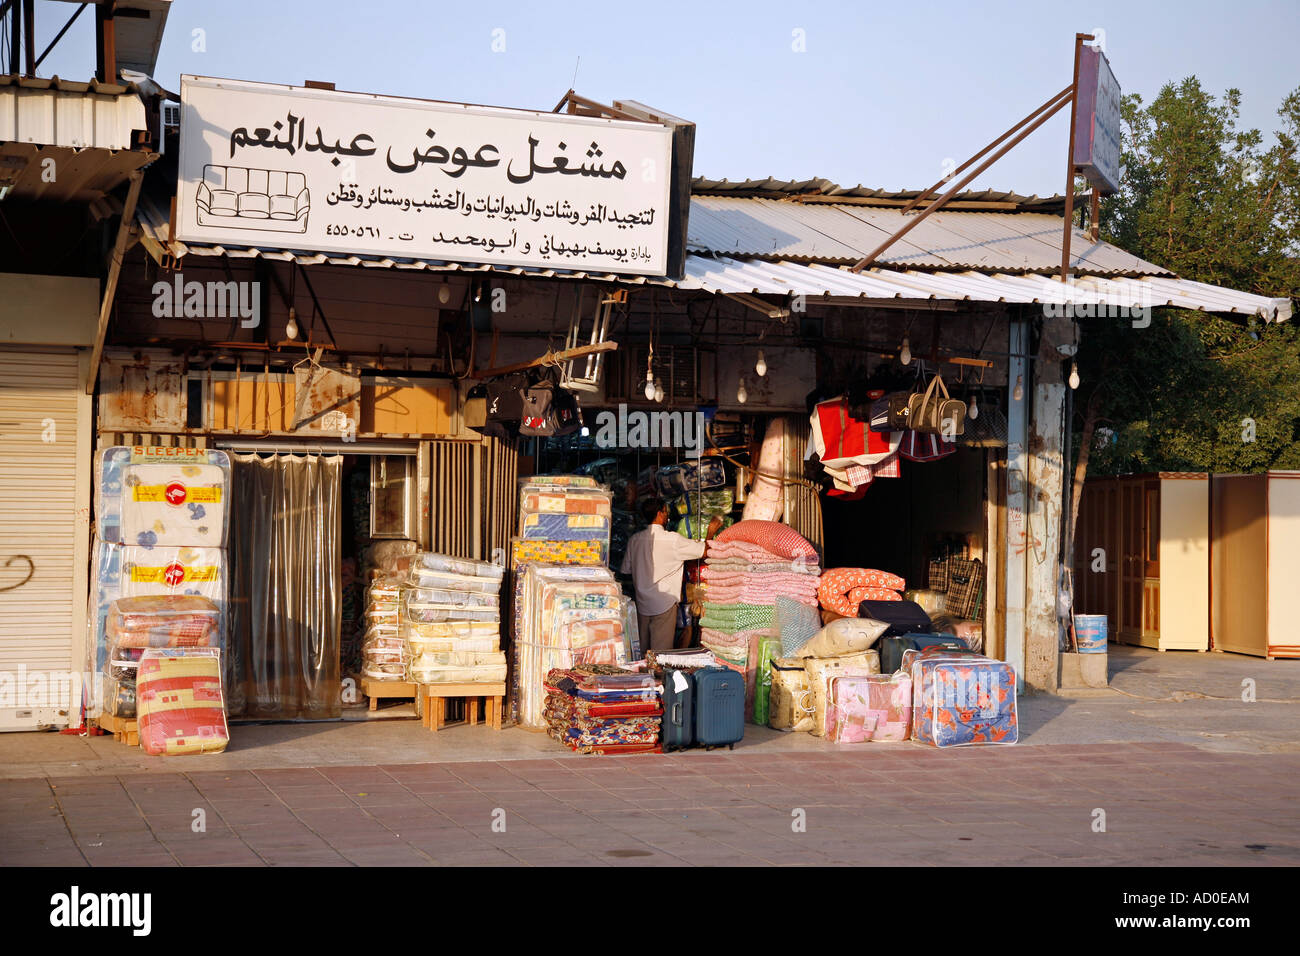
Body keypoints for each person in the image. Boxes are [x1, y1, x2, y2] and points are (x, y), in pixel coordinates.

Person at [620, 497, 706, 652]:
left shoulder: (634, 540)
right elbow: (702, 551)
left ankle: (643, 676)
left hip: (642, 604)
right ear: (660, 514)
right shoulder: (672, 540)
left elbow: (626, 570)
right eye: (666, 512)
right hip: (664, 604)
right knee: (661, 654)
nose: (667, 516)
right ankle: (657, 676)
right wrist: (711, 530)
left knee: (643, 653)